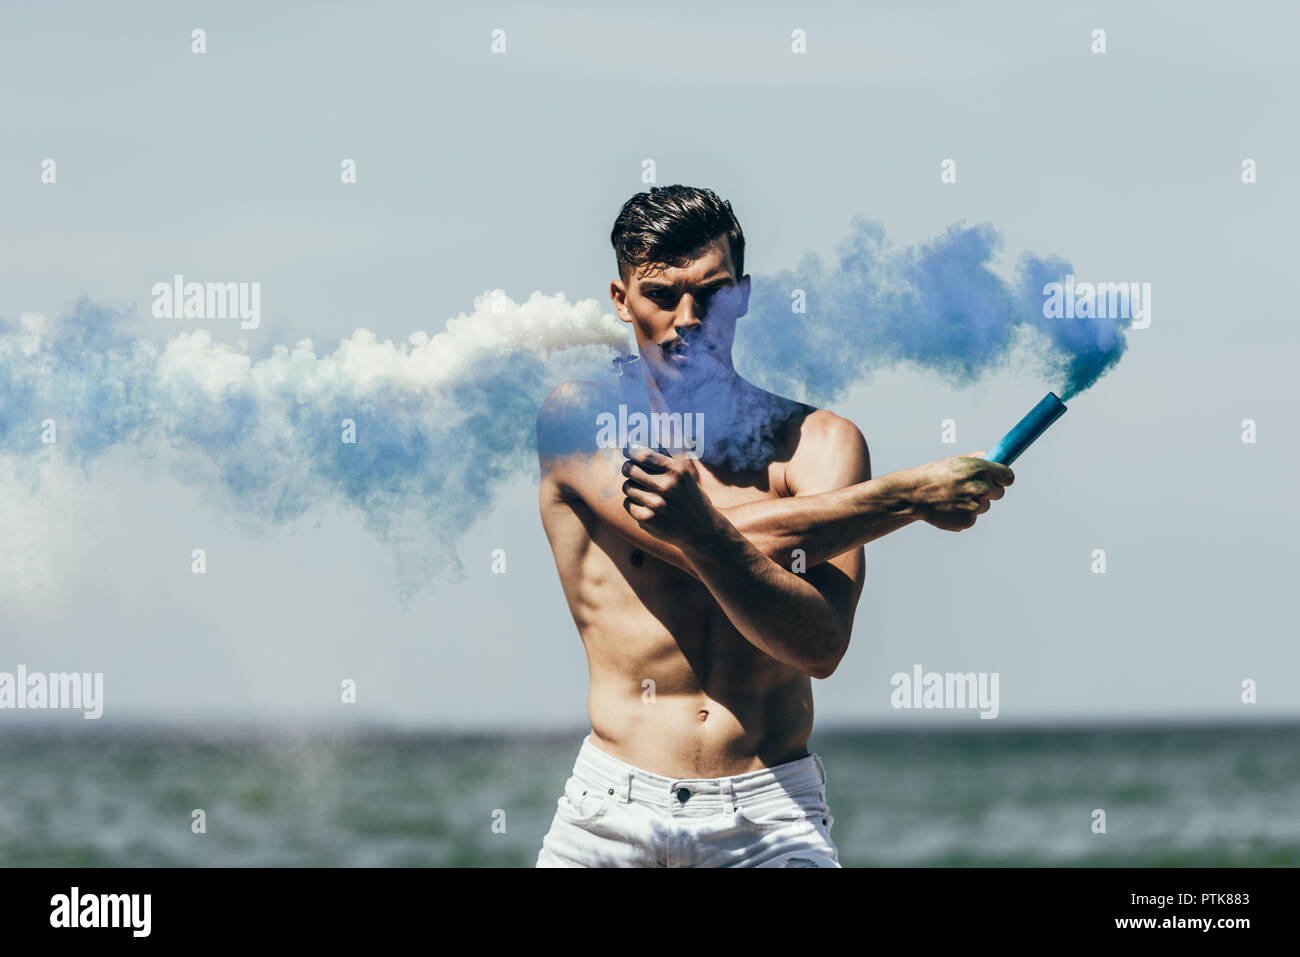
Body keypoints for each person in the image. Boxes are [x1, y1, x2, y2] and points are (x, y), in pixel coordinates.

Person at [534, 185, 1014, 867]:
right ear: (621, 300)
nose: (687, 318)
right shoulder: (581, 420)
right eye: (661, 294)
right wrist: (904, 497)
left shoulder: (819, 443)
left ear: (746, 295)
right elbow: (686, 537)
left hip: (770, 814)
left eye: (712, 292)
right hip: (607, 816)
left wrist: (702, 527)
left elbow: (819, 646)